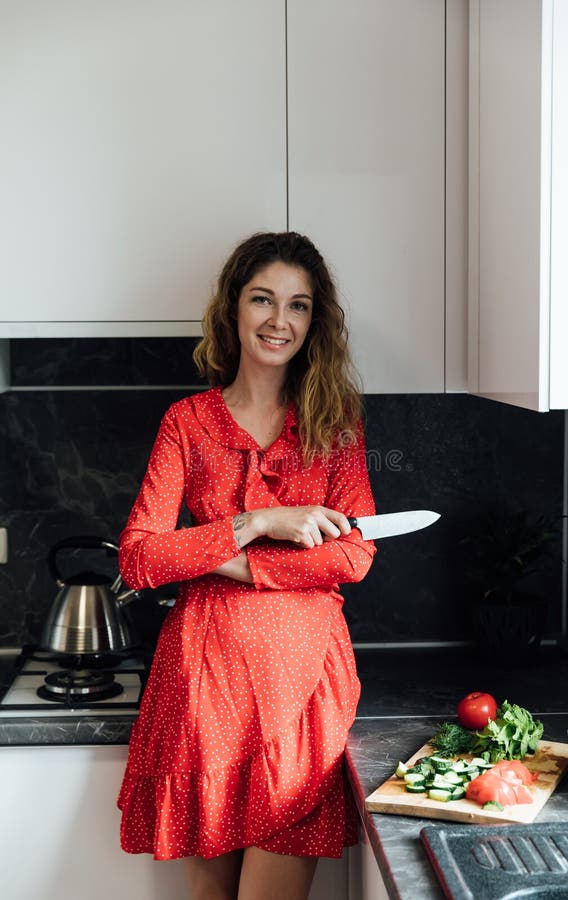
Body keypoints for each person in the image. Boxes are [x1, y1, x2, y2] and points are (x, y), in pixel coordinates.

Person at [117, 231, 377, 900]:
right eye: (263, 299)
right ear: (233, 308)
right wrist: (258, 523)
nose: (278, 321)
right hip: (206, 690)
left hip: (302, 693)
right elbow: (141, 557)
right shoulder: (188, 424)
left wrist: (224, 561)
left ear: (314, 321)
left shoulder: (334, 425)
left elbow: (354, 553)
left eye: (298, 305)